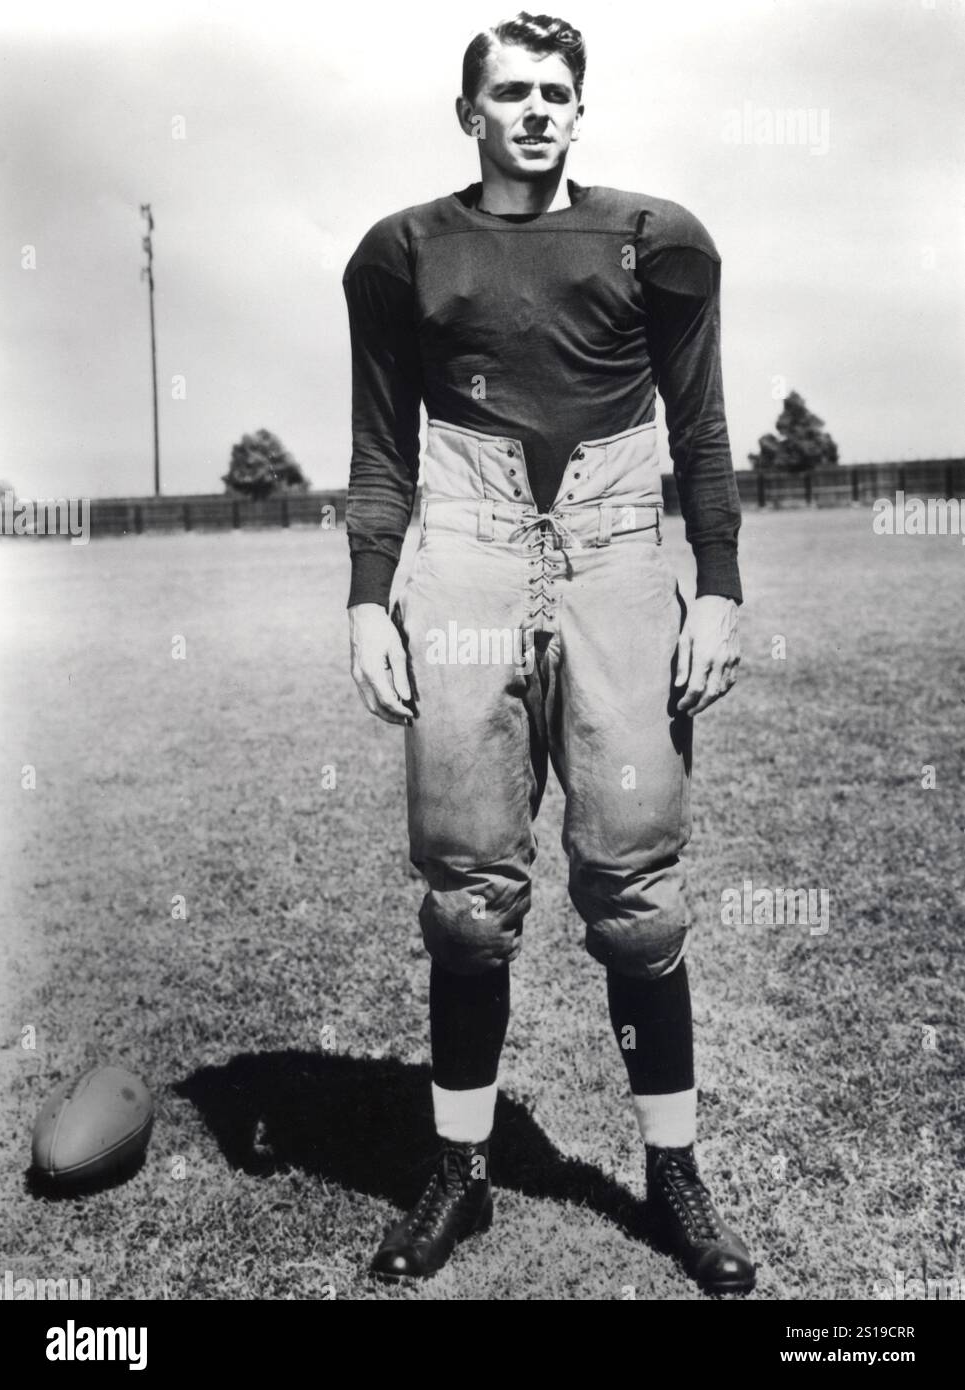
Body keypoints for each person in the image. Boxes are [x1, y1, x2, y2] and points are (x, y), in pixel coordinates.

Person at [343, 11, 754, 1295]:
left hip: (619, 551)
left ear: (582, 108)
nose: (535, 110)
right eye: (510, 91)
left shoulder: (660, 239)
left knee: (636, 891)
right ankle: (459, 1169)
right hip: (460, 541)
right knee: (467, 891)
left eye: (556, 92)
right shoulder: (400, 250)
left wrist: (722, 586)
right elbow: (379, 441)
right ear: (469, 110)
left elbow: (699, 427)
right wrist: (368, 597)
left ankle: (671, 1169)